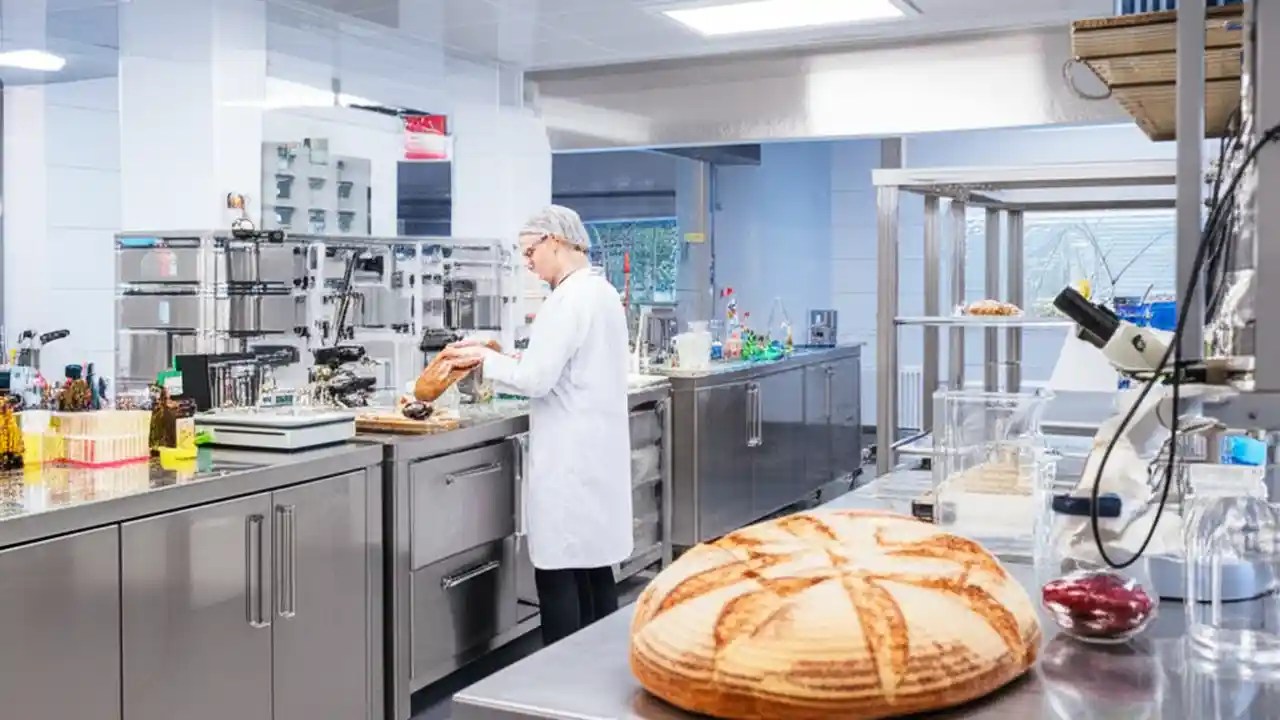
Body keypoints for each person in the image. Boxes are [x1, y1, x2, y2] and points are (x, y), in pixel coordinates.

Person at [437, 205, 632, 646]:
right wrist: (516, 358)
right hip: (595, 455)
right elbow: (568, 366)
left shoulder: (566, 301)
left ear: (555, 242)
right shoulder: (600, 294)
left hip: (568, 461)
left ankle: (559, 680)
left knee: (560, 572)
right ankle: (601, 664)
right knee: (594, 567)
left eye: (529, 252)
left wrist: (484, 357)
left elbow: (535, 380)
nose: (527, 262)